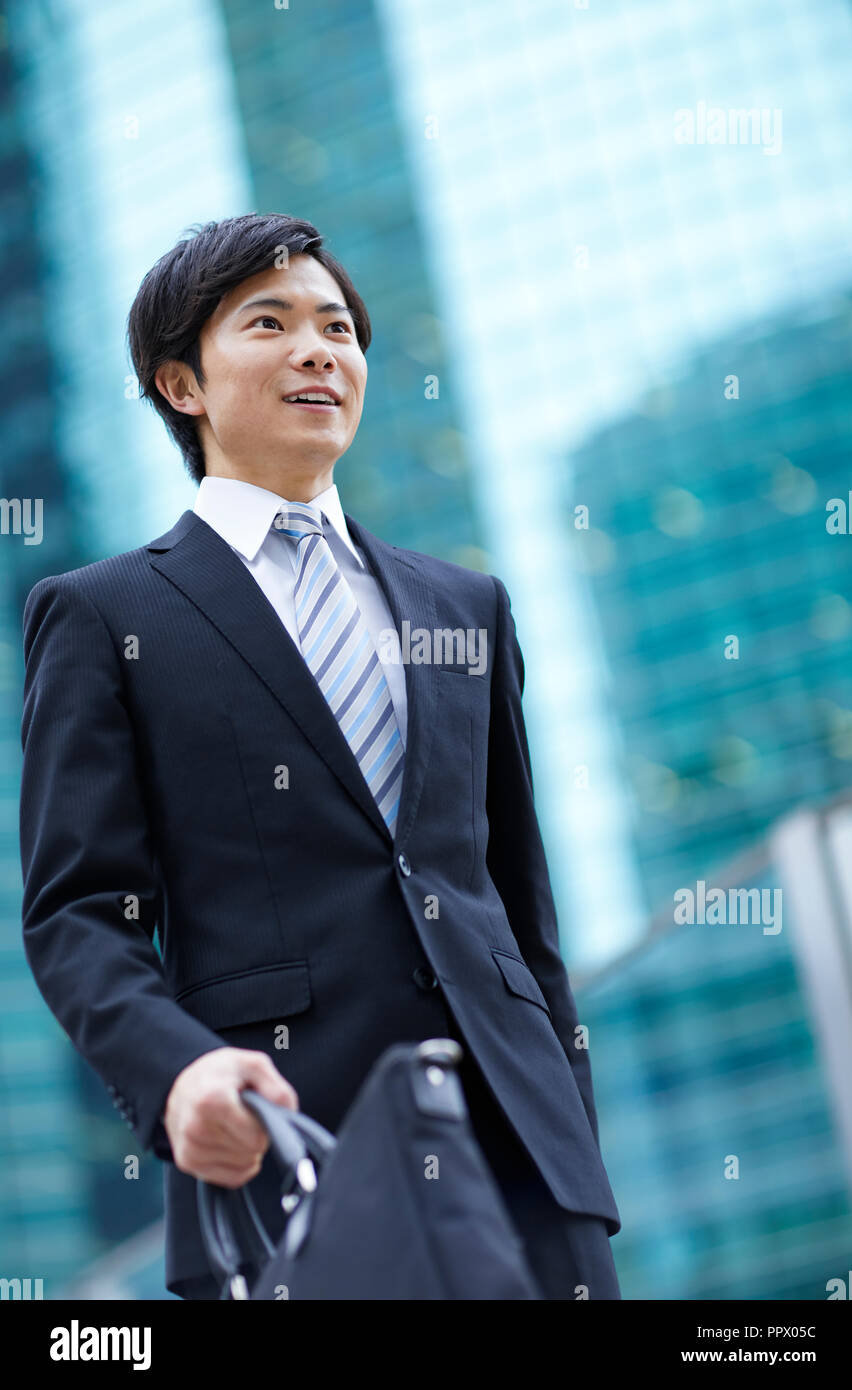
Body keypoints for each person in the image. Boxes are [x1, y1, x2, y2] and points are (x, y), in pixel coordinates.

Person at [19, 212, 621, 1300]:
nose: (318, 349)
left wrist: (573, 1148)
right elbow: (76, 913)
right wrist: (177, 1073)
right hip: (284, 1142)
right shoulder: (103, 615)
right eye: (269, 322)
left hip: (526, 1163)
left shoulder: (464, 605)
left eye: (337, 327)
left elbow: (518, 909)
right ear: (180, 386)